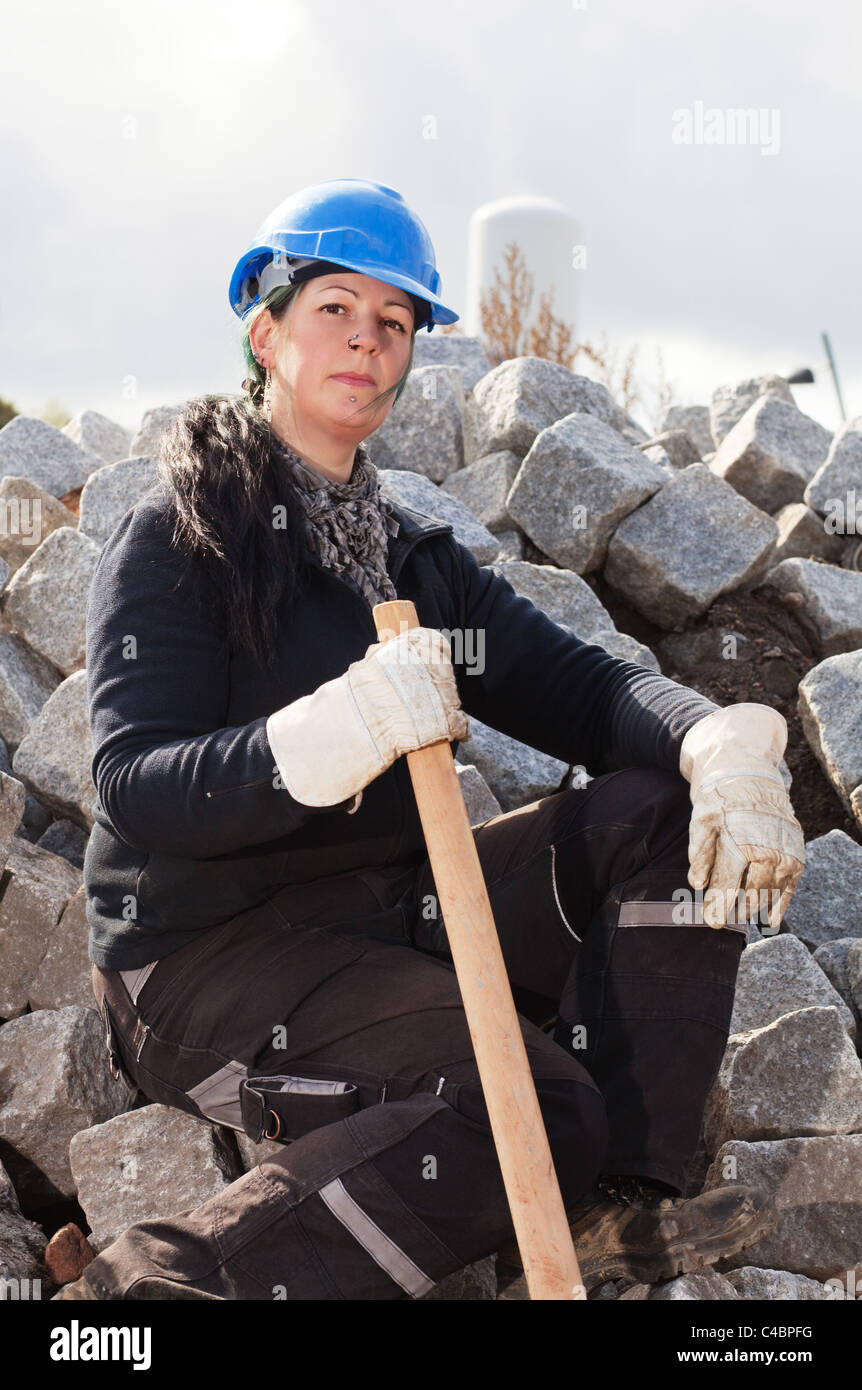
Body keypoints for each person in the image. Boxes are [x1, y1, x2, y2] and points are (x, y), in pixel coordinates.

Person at [56, 178, 805, 1301]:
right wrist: (328, 734)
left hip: (387, 915)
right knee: (529, 1109)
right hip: (200, 960)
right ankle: (150, 1293)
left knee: (655, 806)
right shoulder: (179, 535)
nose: (366, 339)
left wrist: (718, 745)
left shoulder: (410, 563)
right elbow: (136, 786)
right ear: (265, 331)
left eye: (392, 323)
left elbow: (586, 694)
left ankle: (616, 1211)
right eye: (334, 310)